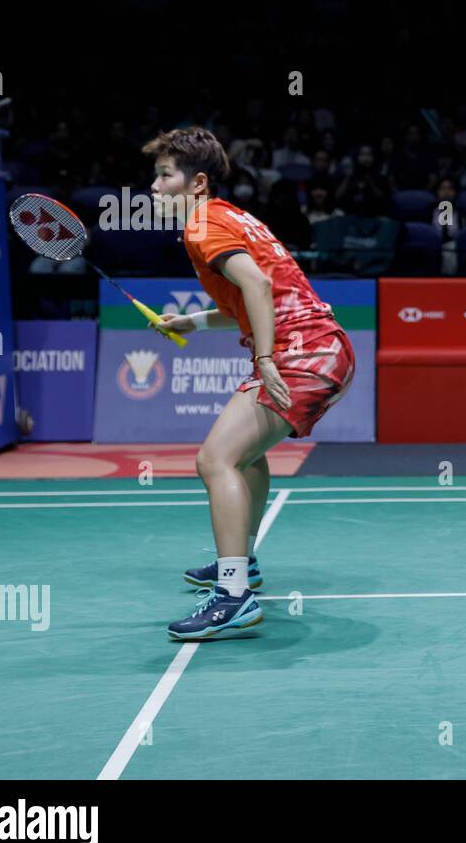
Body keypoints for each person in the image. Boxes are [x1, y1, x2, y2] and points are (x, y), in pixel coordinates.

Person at [146, 127, 356, 640]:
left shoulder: (202, 228)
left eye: (164, 176)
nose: (153, 188)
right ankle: (242, 564)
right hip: (325, 346)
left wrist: (264, 358)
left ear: (196, 183)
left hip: (301, 352)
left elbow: (259, 287)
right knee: (246, 456)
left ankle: (234, 597)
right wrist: (189, 323)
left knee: (214, 460)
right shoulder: (233, 216)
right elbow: (251, 297)